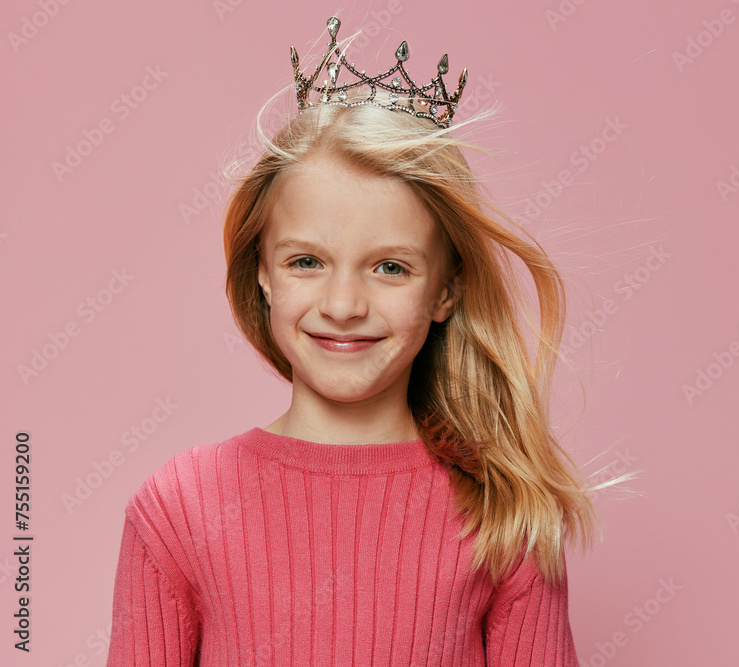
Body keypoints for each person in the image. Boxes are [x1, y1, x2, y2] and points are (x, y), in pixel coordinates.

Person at [106, 15, 632, 666]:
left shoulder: (505, 517)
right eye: (306, 261)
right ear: (263, 273)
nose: (344, 305)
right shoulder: (177, 508)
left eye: (390, 267)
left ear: (446, 290)